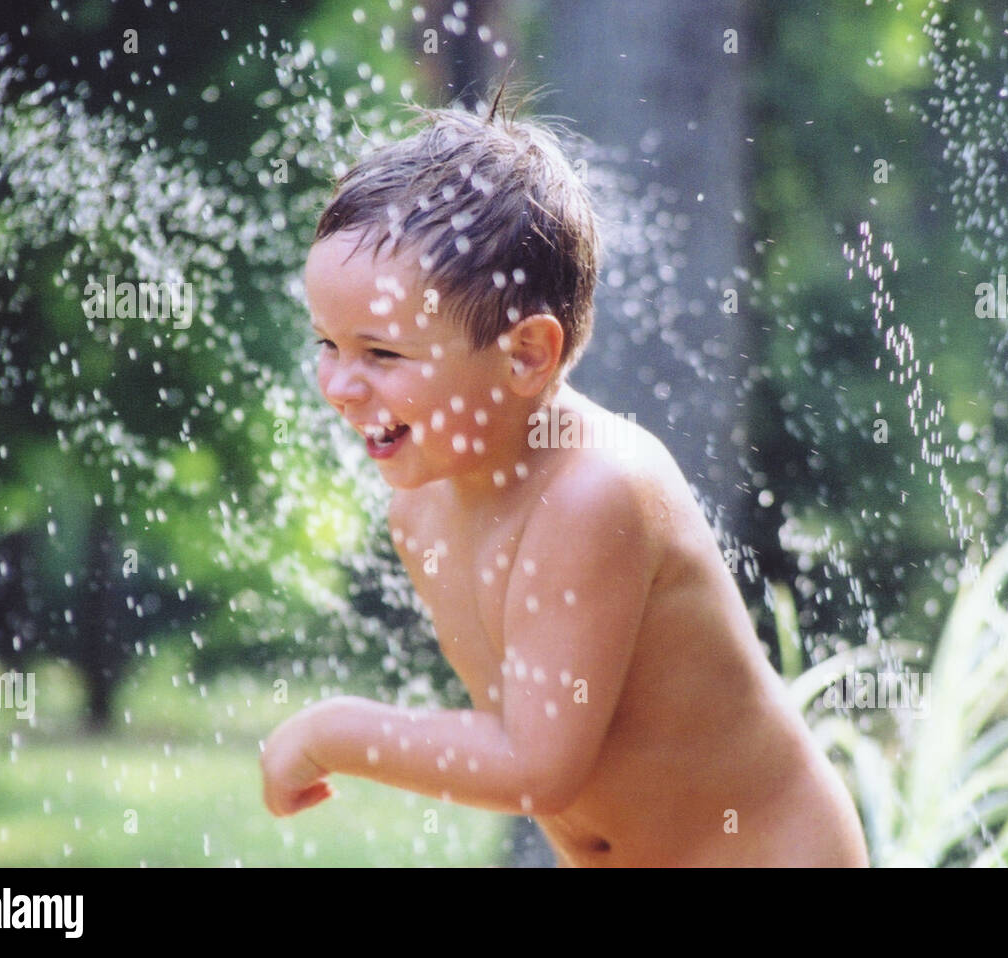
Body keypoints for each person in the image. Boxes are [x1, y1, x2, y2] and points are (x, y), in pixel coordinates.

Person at [260, 86, 870, 867]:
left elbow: (536, 766)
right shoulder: (419, 510)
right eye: (327, 345)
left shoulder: (595, 494)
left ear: (525, 354)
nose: (340, 386)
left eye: (381, 353)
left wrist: (330, 732)